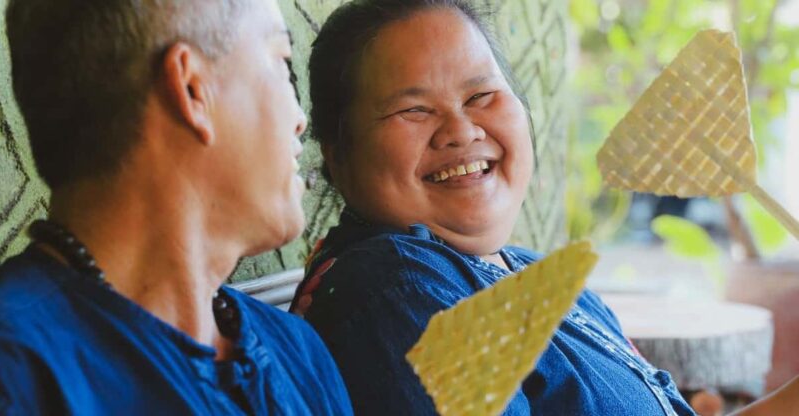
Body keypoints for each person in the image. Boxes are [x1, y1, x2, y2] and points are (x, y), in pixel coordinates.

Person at [290, 0, 696, 414]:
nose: (461, 131)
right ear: (338, 154)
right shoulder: (400, 292)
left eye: (480, 95)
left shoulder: (535, 275)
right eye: (414, 110)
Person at [0, 0, 352, 414]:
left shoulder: (298, 352)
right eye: (282, 63)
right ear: (191, 88)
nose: (300, 119)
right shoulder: (17, 377)